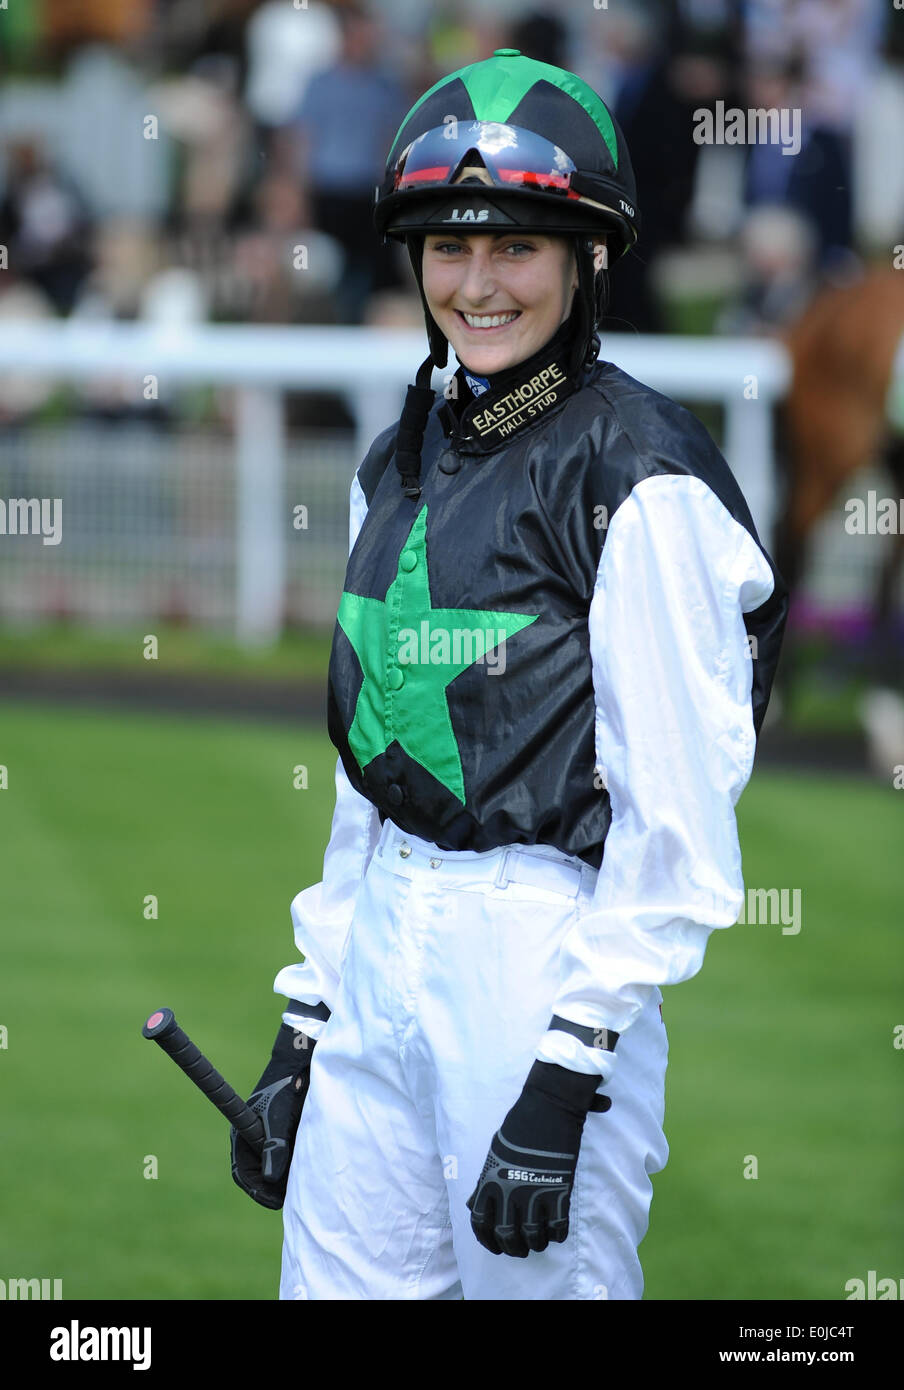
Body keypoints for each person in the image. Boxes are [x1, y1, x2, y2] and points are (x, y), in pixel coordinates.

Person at [231, 49, 788, 1301]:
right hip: (380, 953)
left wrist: (569, 1061)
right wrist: (307, 1017)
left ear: (590, 257)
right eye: (447, 248)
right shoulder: (401, 453)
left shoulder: (639, 476)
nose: (476, 285)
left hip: (542, 964)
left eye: (517, 248)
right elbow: (374, 765)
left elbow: (680, 814)